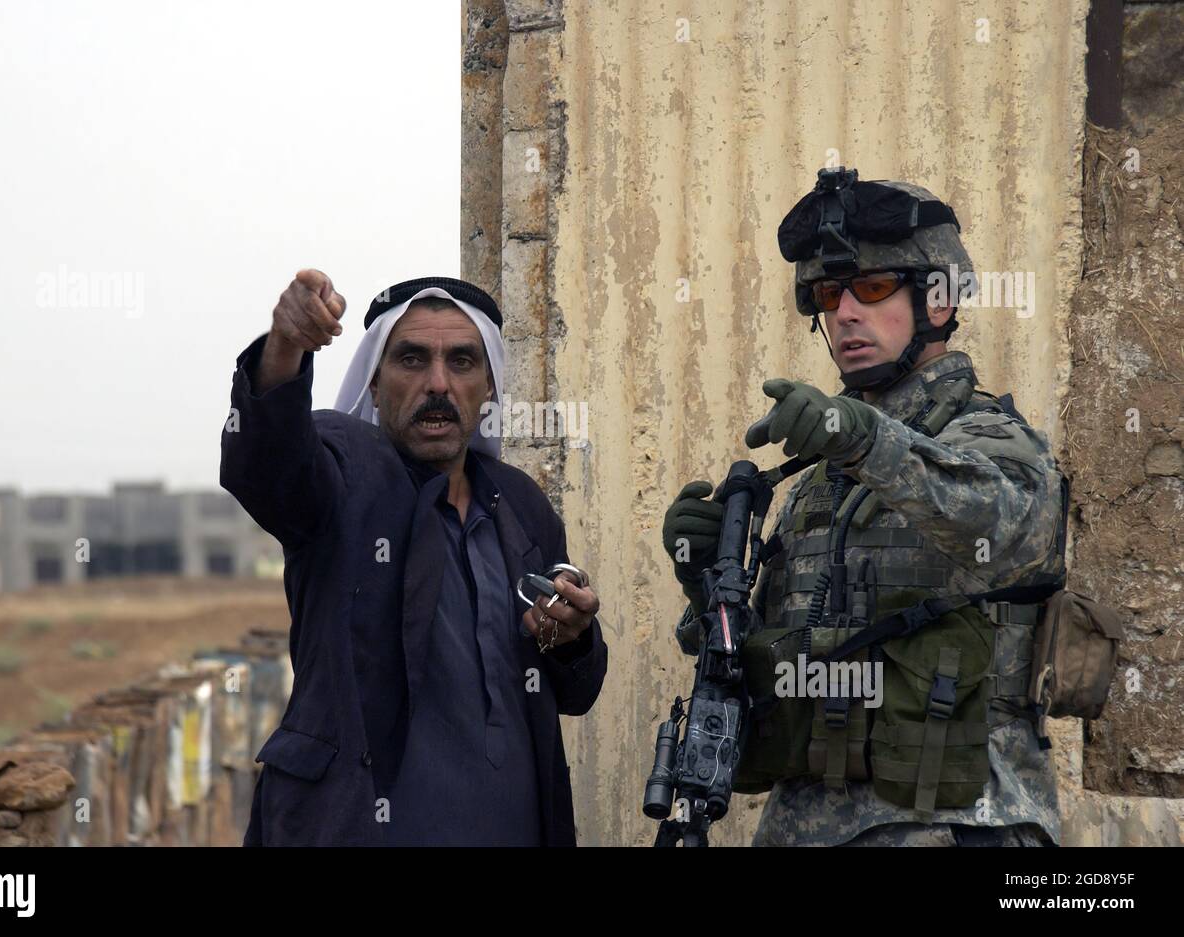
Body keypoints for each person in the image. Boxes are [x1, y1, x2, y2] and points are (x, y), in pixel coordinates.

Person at [662, 169, 1066, 846]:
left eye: (873, 288)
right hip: (805, 826)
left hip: (954, 822)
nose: (845, 311)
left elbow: (1009, 522)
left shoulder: (988, 438)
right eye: (829, 294)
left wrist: (863, 439)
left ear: (937, 301)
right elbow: (746, 660)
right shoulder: (819, 481)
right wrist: (704, 579)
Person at [223, 271, 607, 845]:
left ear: (489, 385)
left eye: (461, 361)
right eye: (411, 359)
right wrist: (285, 347)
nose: (437, 384)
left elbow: (575, 692)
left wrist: (569, 634)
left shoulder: (521, 507)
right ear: (375, 383)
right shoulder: (342, 472)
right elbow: (268, 464)